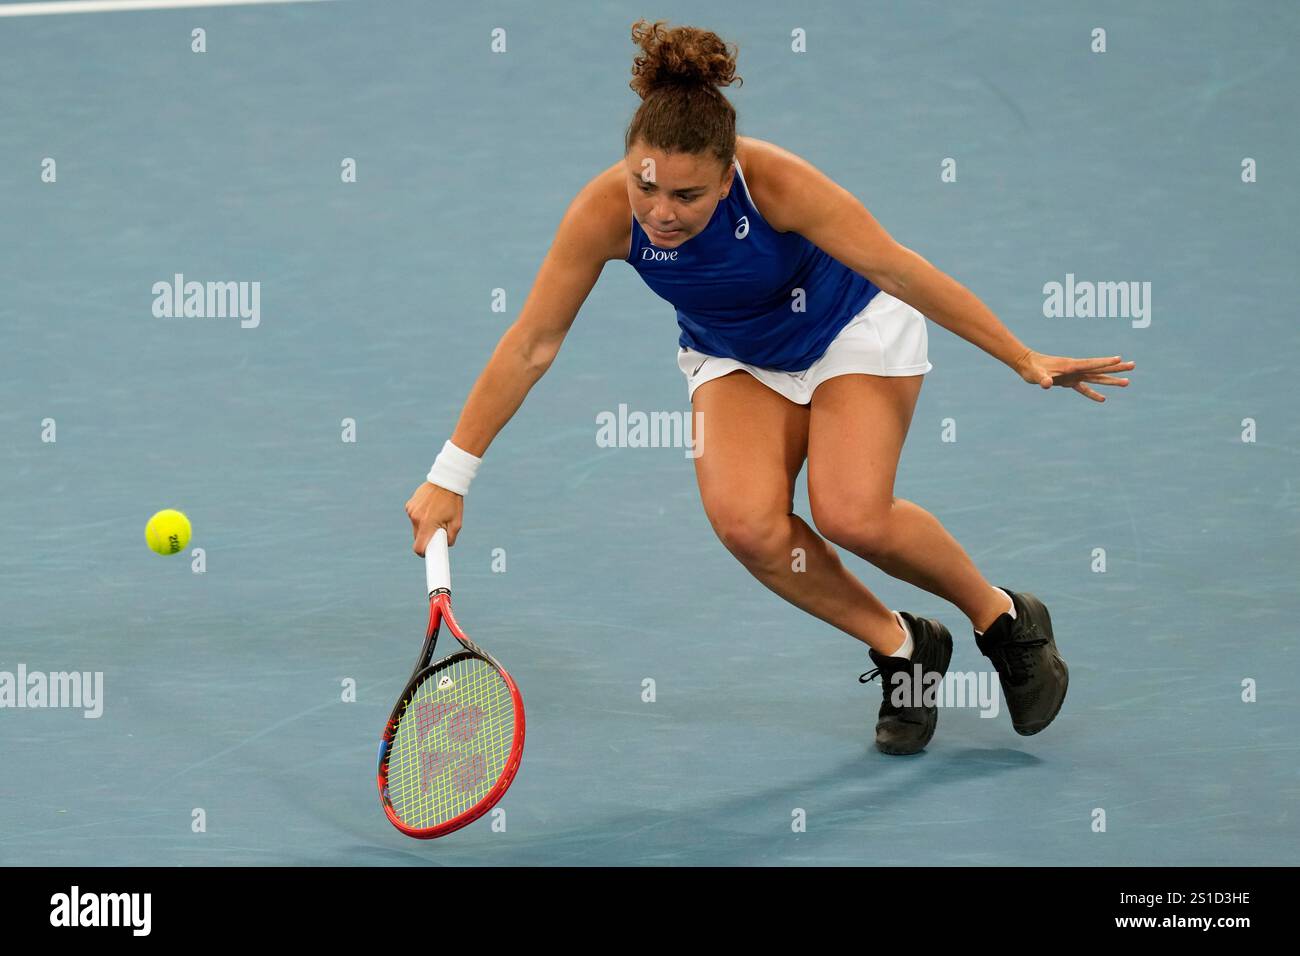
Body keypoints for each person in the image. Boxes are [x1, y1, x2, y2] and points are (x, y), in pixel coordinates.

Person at [406, 20, 1135, 755]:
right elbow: (532, 343)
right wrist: (451, 475)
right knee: (749, 527)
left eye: (688, 196)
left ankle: (1004, 620)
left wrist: (1020, 356)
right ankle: (904, 647)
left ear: (728, 178)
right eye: (644, 183)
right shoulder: (603, 213)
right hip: (738, 356)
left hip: (850, 330)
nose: (659, 211)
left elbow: (897, 269)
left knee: (852, 514)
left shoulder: (776, 183)